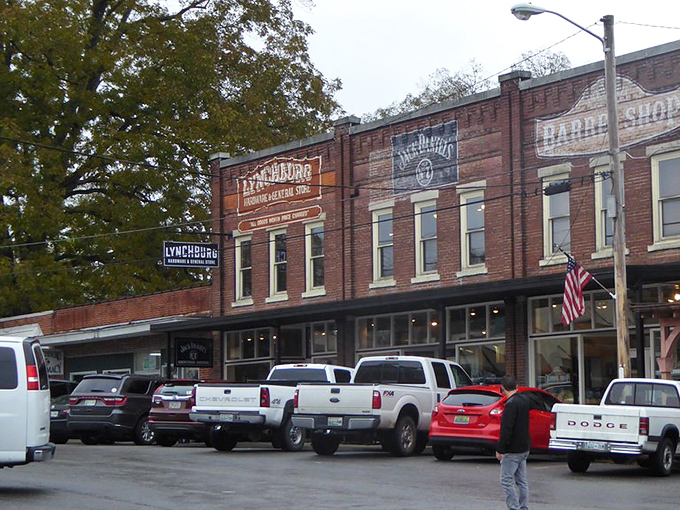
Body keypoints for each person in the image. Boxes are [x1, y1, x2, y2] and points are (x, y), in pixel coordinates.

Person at [495, 375, 531, 510]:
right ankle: (523, 506)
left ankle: (513, 507)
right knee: (522, 481)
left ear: (502, 387)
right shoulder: (524, 401)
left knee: (506, 480)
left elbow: (507, 430)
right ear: (516, 386)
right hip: (524, 446)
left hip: (513, 449)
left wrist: (500, 448)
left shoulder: (510, 405)